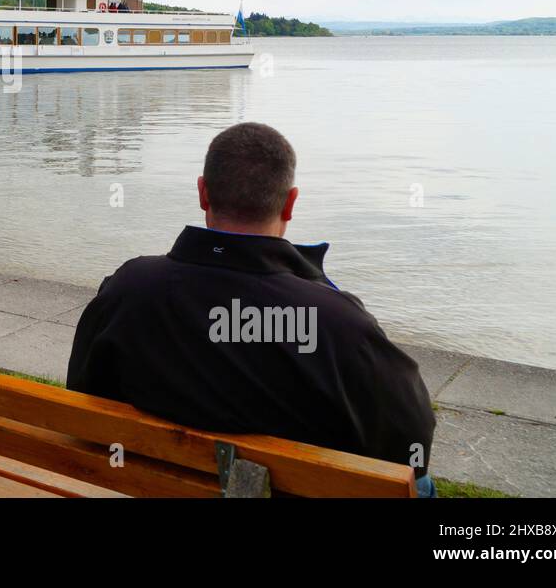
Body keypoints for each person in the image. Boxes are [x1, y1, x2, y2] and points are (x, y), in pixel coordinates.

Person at [66, 122, 437, 496]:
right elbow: (411, 446)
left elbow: (83, 393)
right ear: (290, 203)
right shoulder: (337, 324)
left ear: (202, 193)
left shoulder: (128, 287)